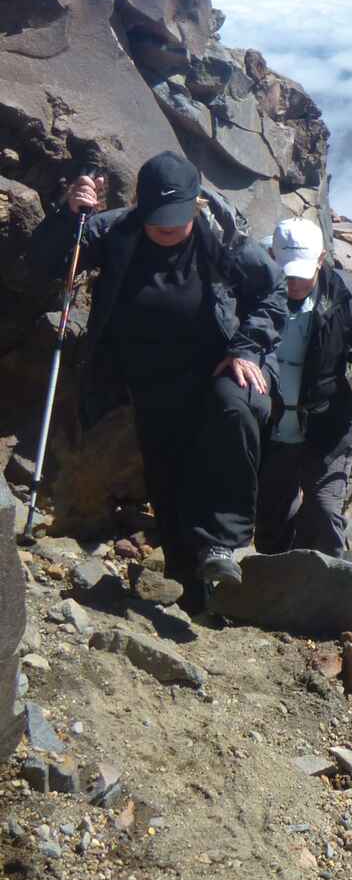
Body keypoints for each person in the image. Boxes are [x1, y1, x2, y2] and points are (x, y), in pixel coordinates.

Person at [29, 153, 285, 613]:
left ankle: (224, 543)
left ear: (196, 205)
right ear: (140, 207)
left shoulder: (222, 237)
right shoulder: (113, 231)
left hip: (214, 369)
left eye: (177, 219)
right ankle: (194, 592)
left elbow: (272, 292)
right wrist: (70, 214)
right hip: (148, 381)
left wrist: (246, 347)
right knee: (168, 482)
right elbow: (49, 263)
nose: (167, 228)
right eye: (157, 219)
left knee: (237, 410)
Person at [255, 217, 352, 558]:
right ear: (272, 255)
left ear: (321, 258)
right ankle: (271, 590)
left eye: (302, 273)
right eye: (287, 271)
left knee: (324, 510)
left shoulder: (345, 295)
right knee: (272, 516)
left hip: (326, 425)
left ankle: (329, 591)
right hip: (269, 427)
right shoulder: (251, 286)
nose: (295, 282)